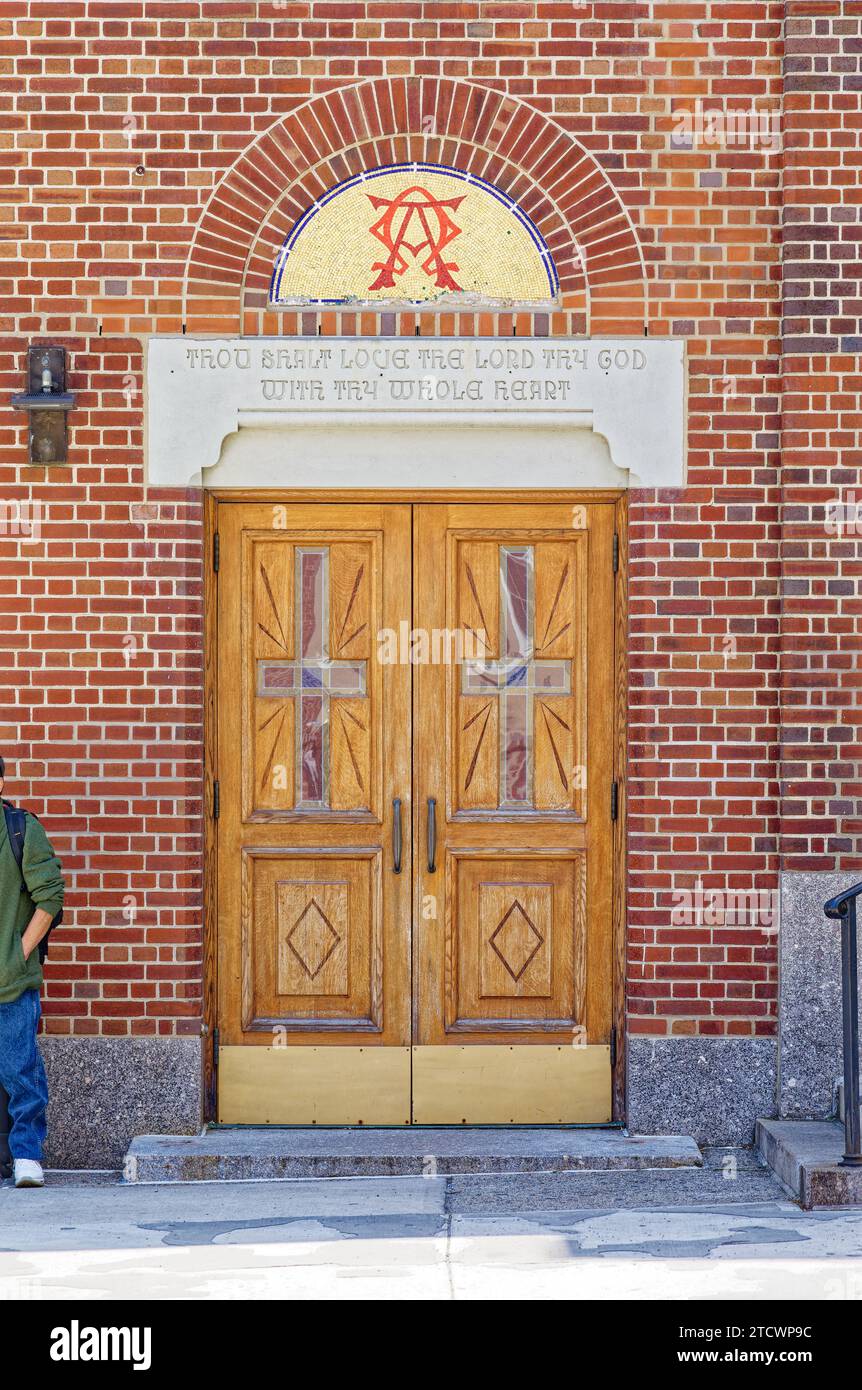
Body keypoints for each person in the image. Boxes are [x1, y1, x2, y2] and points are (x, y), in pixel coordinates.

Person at [0, 755, 64, 1187]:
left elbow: (50, 897)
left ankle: (27, 1155)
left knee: (19, 1070)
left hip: (11, 981)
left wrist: (18, 955)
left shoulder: (22, 830)